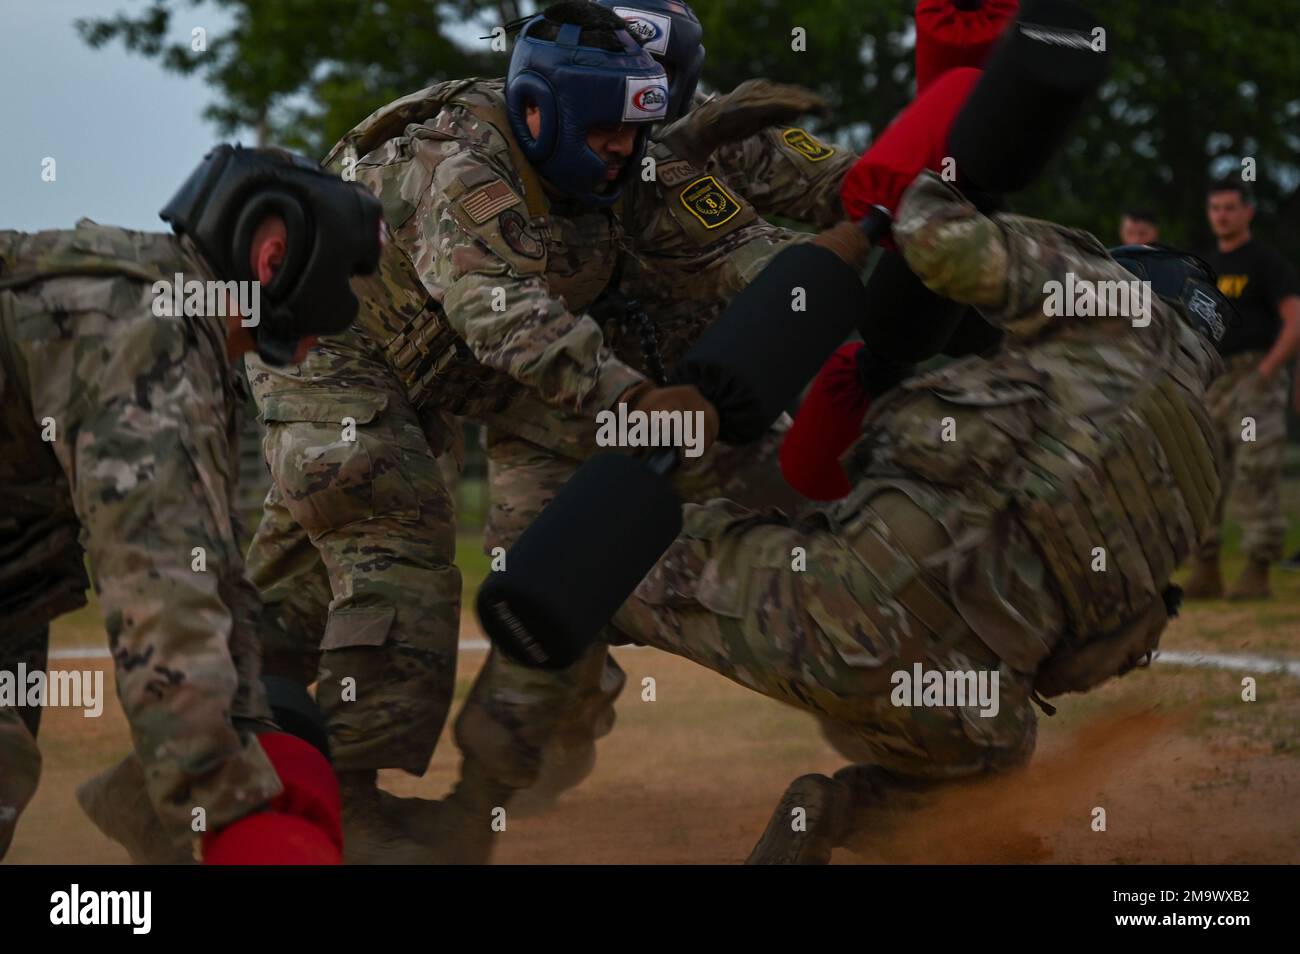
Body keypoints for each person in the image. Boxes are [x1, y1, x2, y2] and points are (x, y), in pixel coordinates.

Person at [241, 0, 813, 863]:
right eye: (608, 132)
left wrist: (855, 272)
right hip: (336, 348)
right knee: (395, 537)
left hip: (450, 362)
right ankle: (346, 808)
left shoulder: (620, 164)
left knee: (573, 548)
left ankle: (463, 797)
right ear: (539, 111)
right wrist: (631, 398)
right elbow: (501, 316)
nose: (625, 150)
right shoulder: (460, 165)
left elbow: (736, 240)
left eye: (639, 130)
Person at [604, 170, 1230, 863]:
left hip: (838, 616)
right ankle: (836, 811)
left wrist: (935, 177)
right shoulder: (1201, 473)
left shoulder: (1113, 307)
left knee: (605, 554)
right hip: (966, 713)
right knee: (973, 801)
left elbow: (941, 244)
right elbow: (1084, 663)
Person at [0, 144, 383, 862]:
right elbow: (162, 592)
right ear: (274, 261)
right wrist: (231, 809)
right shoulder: (147, 338)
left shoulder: (182, 324)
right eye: (342, 285)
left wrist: (248, 728)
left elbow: (211, 567)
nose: (340, 322)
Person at [1183, 178, 1300, 599]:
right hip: (1215, 379)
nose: (1222, 215)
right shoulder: (1206, 264)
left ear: (1247, 212)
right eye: (1215, 208)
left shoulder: (1265, 262)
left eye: (1231, 207)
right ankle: (1206, 566)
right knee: (1207, 472)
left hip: (1254, 380)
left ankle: (1257, 568)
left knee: (1256, 468)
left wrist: (1267, 372)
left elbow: (1295, 319)